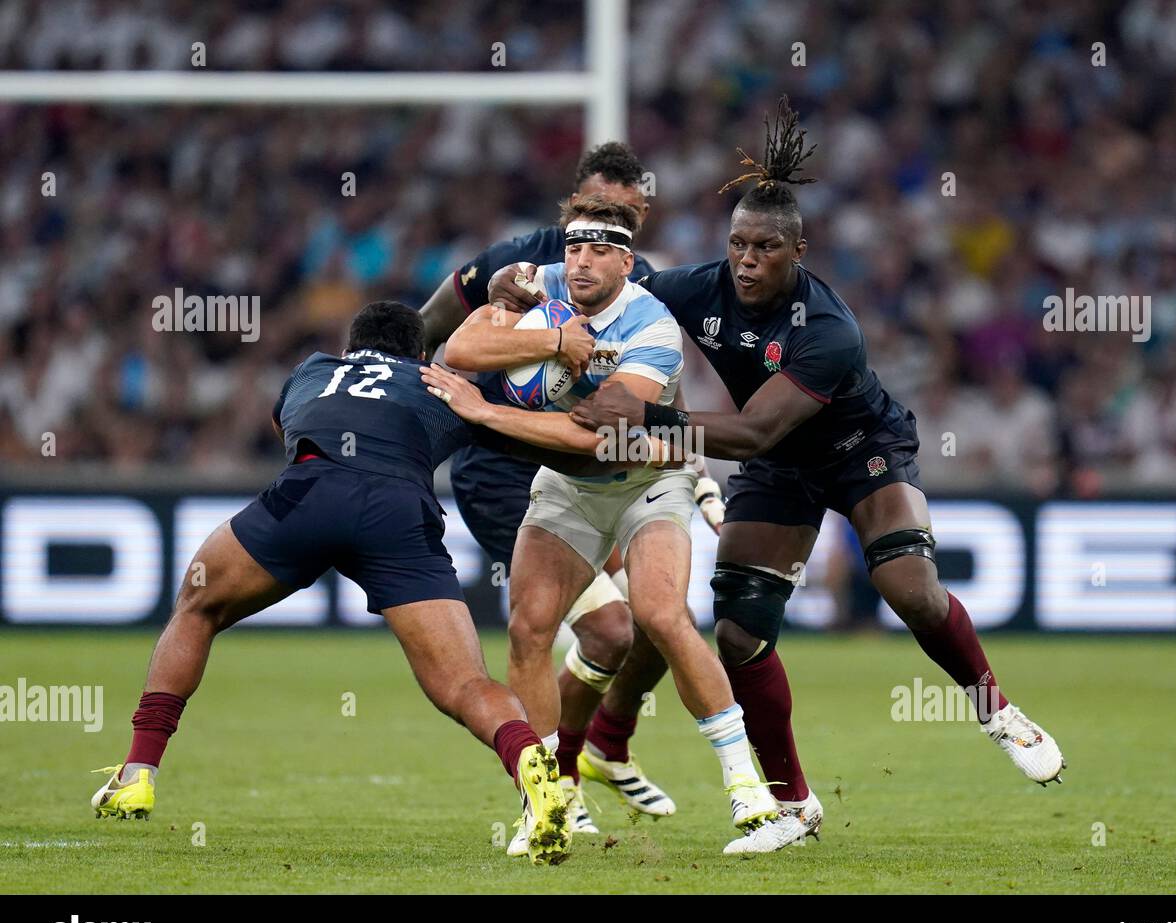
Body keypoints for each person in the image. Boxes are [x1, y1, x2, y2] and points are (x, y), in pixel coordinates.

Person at [568, 100, 1067, 854]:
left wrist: (650, 423)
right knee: (737, 633)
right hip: (780, 470)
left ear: (798, 250)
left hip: (859, 447)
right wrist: (544, 305)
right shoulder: (702, 289)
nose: (746, 260)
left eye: (764, 248)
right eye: (737, 244)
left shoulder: (829, 329)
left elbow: (757, 426)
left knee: (910, 589)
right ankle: (794, 805)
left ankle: (994, 706)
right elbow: (615, 301)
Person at [89, 301, 638, 865]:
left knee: (197, 609)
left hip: (309, 491)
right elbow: (536, 443)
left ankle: (137, 771)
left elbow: (286, 425)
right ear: (420, 354)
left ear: (351, 348)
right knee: (463, 683)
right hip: (399, 513)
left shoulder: (313, 369)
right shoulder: (441, 384)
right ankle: (528, 762)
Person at [422, 195, 787, 853]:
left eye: (597, 251)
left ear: (626, 260)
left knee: (660, 614)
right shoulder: (544, 288)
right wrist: (552, 338)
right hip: (568, 490)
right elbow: (461, 343)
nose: (580, 262)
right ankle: (547, 803)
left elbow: (599, 434)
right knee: (530, 627)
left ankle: (748, 789)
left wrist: (487, 413)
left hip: (648, 481)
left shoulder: (653, 327)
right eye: (572, 248)